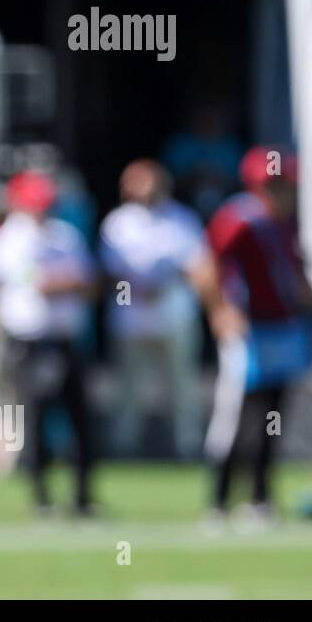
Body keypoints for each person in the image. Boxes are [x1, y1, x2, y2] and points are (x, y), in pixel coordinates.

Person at [202, 146, 312, 524]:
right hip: (250, 332)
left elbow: (293, 270)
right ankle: (219, 499)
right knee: (237, 411)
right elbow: (208, 266)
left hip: (282, 329)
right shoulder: (238, 219)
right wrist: (222, 309)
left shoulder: (283, 223)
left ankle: (260, 497)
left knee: (274, 414)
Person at [0, 170, 98, 516]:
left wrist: (65, 282)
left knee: (79, 417)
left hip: (65, 337)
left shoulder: (65, 235)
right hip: (29, 340)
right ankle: (41, 497)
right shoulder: (9, 239)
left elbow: (89, 282)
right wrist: (66, 282)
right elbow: (36, 283)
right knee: (34, 419)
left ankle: (82, 496)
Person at [99, 159, 211, 459]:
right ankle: (124, 448)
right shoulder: (118, 223)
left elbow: (199, 265)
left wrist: (168, 282)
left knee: (182, 386)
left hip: (175, 318)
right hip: (130, 321)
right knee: (128, 389)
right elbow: (109, 272)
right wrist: (138, 288)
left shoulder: (182, 218)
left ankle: (187, 448)